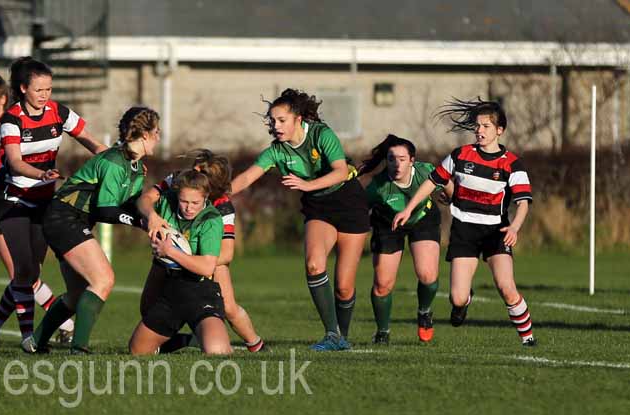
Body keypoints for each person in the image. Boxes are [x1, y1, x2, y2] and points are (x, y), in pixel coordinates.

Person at [230, 89, 369, 351]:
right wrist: (216, 194)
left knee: (344, 287)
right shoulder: (277, 151)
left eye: (282, 120)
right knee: (314, 265)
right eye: (272, 121)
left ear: (298, 119)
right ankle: (332, 335)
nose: (276, 126)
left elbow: (341, 172)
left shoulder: (321, 134)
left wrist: (307, 185)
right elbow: (247, 177)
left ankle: (342, 337)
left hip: (349, 201)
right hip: (318, 206)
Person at [0, 57, 107, 352]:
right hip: (12, 202)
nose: (45, 95)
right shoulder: (11, 120)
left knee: (30, 274)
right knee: (24, 269)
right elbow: (15, 162)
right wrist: (41, 174)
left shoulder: (58, 112)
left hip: (43, 204)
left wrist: (117, 160)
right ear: (23, 88)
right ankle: (30, 339)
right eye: (39, 90)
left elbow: (91, 141)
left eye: (49, 89)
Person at [393, 98, 536, 346]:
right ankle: (464, 301)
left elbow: (523, 203)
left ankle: (528, 339)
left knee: (506, 287)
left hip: (497, 231)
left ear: (499, 130)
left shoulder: (512, 164)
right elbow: (432, 182)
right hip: (464, 230)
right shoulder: (460, 155)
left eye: (486, 126)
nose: (479, 131)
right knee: (457, 298)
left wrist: (514, 227)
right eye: (477, 126)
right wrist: (408, 208)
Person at [31, 106, 159, 354]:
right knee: (103, 279)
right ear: (145, 135)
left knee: (77, 294)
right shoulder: (114, 162)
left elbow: (129, 205)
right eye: (157, 132)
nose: (159, 137)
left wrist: (153, 218)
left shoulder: (135, 167)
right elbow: (105, 211)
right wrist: (141, 223)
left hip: (71, 221)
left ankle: (35, 342)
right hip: (64, 218)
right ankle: (79, 349)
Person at [139, 150, 266, 353]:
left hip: (207, 257)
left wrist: (187, 256)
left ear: (210, 188)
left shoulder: (221, 206)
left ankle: (255, 344)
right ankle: (170, 342)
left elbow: (226, 254)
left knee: (229, 307)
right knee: (147, 305)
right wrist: (152, 216)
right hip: (170, 253)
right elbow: (147, 198)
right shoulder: (178, 180)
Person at [129, 170, 232, 355]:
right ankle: (187, 340)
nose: (189, 208)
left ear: (206, 197)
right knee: (138, 350)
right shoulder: (168, 202)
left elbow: (207, 267)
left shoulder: (211, 219)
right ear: (177, 195)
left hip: (200, 290)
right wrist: (152, 216)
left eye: (195, 203)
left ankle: (204, 335)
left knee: (217, 351)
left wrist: (169, 251)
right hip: (172, 288)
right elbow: (143, 200)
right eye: (184, 201)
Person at [358, 134, 443, 344]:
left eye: (402, 159)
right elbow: (359, 210)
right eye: (391, 159)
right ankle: (383, 331)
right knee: (382, 284)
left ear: (412, 160)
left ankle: (424, 312)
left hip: (422, 219)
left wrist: (452, 196)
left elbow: (447, 182)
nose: (396, 164)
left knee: (428, 275)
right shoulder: (378, 186)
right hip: (388, 225)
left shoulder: (425, 172)